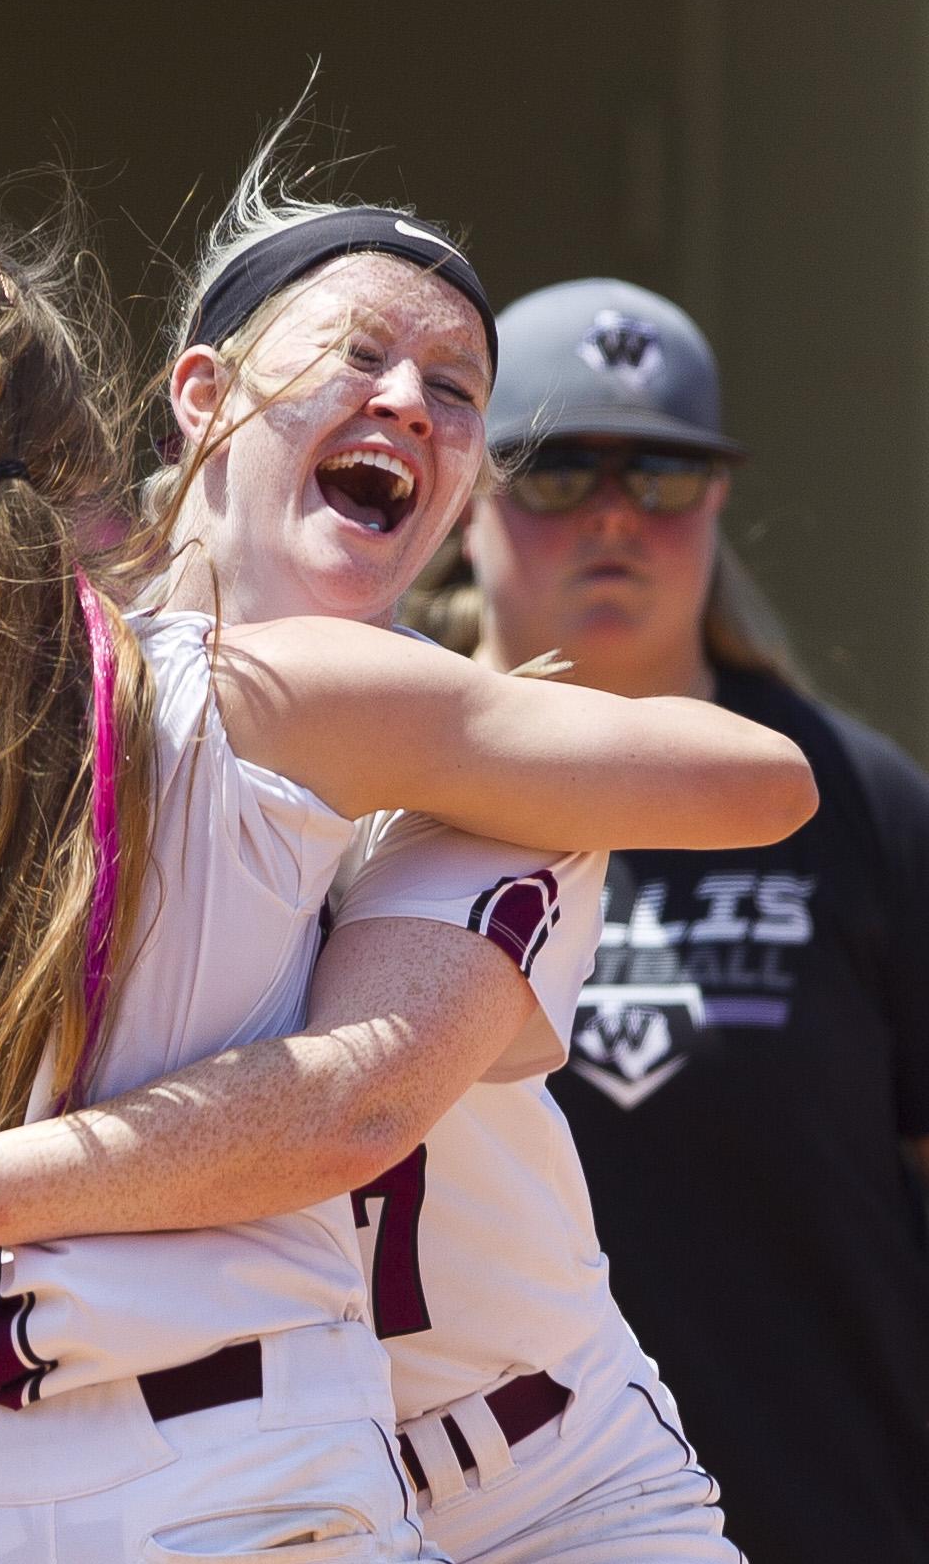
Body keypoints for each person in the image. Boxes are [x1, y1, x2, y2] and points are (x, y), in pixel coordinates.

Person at [0, 190, 812, 1561]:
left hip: (536, 1480)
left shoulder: (488, 744)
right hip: (210, 1463)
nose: (408, 403)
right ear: (200, 393)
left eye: (454, 391)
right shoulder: (7, 710)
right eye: (358, 356)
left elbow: (346, 1102)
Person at [404, 277, 929, 1564]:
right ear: (464, 488)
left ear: (719, 501)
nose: (611, 516)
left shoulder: (858, 806)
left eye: (661, 475)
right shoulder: (364, 807)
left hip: (825, 1519)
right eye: (558, 470)